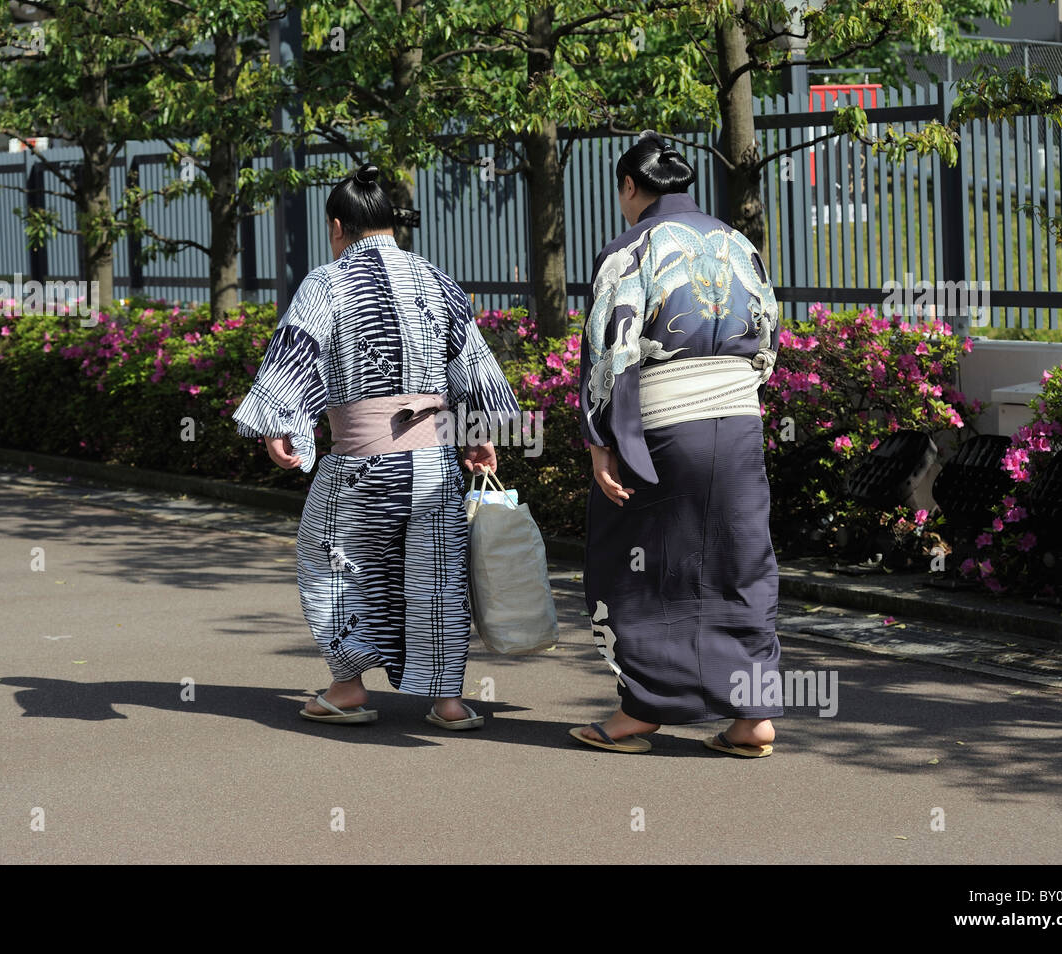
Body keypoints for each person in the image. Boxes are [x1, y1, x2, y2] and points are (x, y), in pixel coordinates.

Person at [232, 163, 520, 730]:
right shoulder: (436, 278)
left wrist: (280, 423)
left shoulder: (328, 282)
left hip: (362, 463)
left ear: (337, 225)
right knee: (438, 572)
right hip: (435, 460)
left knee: (330, 558)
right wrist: (477, 437)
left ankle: (347, 687)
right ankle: (448, 702)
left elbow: (297, 350)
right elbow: (471, 364)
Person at [570, 132, 784, 756]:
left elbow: (610, 351)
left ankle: (641, 712)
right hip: (740, 419)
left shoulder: (629, 249)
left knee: (636, 557)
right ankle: (753, 717)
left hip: (663, 426)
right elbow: (769, 340)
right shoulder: (737, 243)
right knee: (741, 560)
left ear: (630, 188)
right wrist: (730, 392)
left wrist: (599, 440)